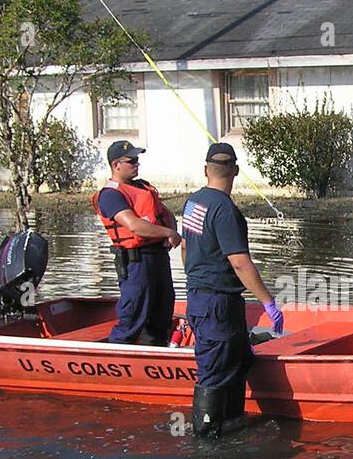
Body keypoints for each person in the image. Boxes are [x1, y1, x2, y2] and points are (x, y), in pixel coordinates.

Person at [180, 142, 283, 438]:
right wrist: (268, 302)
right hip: (218, 304)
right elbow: (239, 262)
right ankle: (207, 438)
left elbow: (186, 248)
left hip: (203, 299)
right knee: (214, 371)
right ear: (235, 171)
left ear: (205, 170)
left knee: (237, 361)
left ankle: (232, 423)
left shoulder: (193, 202)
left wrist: (195, 279)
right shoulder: (225, 211)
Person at [92, 139, 182, 345]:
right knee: (132, 317)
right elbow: (134, 226)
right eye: (131, 161)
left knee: (161, 317)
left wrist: (170, 233)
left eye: (137, 160)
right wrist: (167, 232)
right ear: (116, 165)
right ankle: (116, 361)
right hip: (136, 265)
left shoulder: (143, 188)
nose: (137, 164)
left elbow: (166, 214)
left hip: (158, 259)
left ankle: (155, 360)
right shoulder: (111, 195)